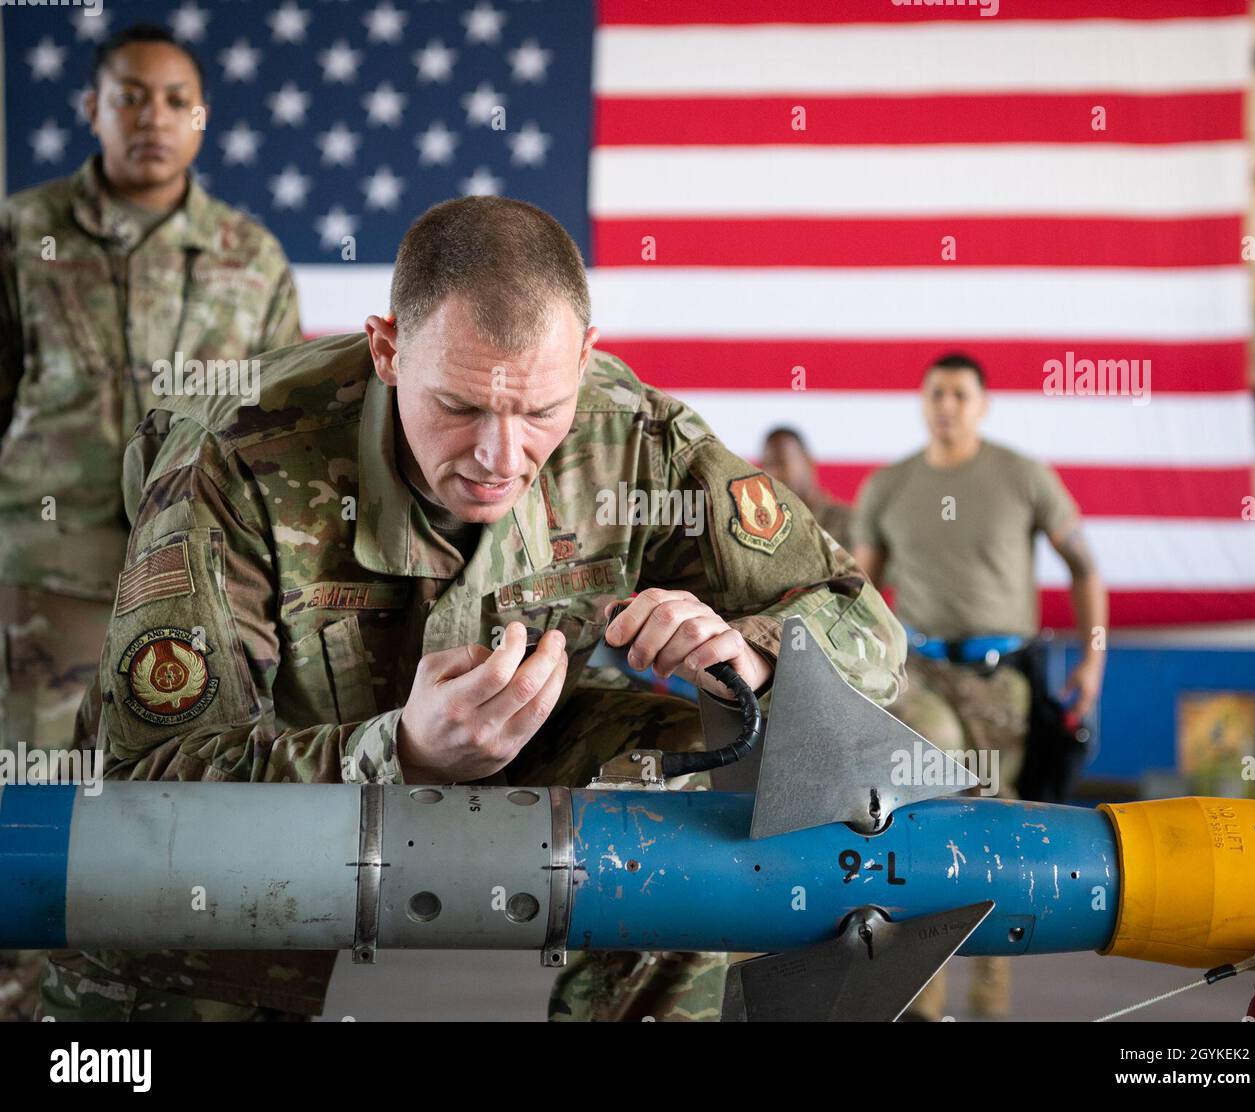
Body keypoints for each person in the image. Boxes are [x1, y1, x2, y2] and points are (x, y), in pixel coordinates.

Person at [41, 194, 907, 1022]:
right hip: (242, 839)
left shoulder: (632, 435)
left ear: (585, 356)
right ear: (387, 350)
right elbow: (148, 784)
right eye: (458, 407)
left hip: (508, 778)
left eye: (540, 411)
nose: (501, 456)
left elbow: (865, 629)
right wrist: (404, 751)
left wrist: (749, 653)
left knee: (684, 763)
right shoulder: (234, 453)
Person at [0, 24, 300, 1022]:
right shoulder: (21, 233)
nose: (153, 118)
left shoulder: (248, 256)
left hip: (196, 584)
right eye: (131, 96)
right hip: (47, 584)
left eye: (176, 99)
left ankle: (133, 1011)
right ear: (93, 108)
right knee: (29, 807)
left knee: (164, 806)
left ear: (201, 118)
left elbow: (276, 435)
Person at [851, 352, 1107, 1020]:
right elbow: (857, 593)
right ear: (922, 400)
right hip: (921, 673)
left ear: (983, 404)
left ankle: (992, 1001)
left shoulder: (1022, 476)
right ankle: (923, 1004)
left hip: (1002, 682)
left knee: (997, 828)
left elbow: (1084, 566)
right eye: (936, 392)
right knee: (928, 815)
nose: (947, 405)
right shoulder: (890, 485)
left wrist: (1093, 660)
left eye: (961, 394)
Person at [760, 426, 855, 551]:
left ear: (808, 462)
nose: (774, 473)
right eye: (768, 464)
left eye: (781, 462)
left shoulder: (849, 522)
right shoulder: (764, 530)